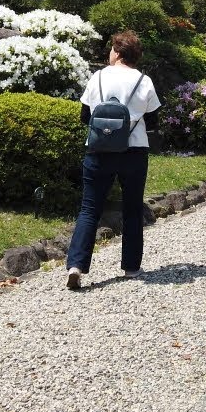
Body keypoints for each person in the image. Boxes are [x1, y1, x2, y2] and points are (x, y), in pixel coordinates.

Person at [66, 31, 161, 290]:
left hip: (98, 150)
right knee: (131, 208)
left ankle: (76, 264)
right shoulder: (144, 81)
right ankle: (131, 267)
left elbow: (85, 117)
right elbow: (153, 122)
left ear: (117, 52)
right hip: (133, 152)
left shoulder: (97, 77)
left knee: (89, 208)